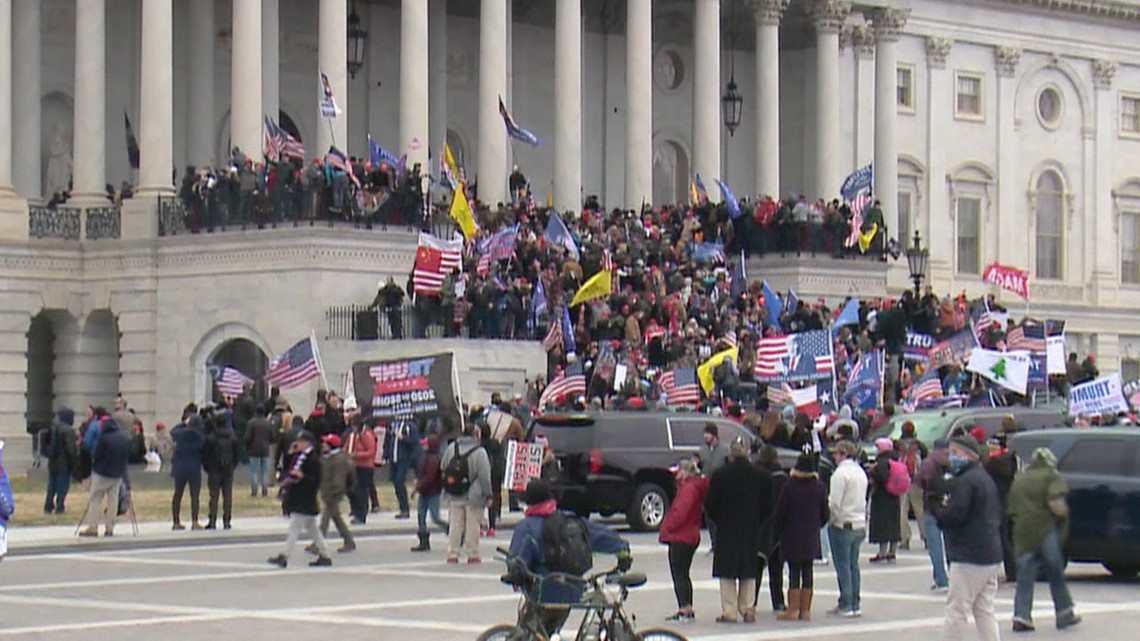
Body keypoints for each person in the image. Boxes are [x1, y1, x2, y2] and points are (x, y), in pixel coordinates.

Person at [507, 478, 632, 637]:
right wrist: (623, 553)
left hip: (543, 592)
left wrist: (514, 574)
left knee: (528, 633)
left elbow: (517, 560)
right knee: (551, 631)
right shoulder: (571, 521)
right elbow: (606, 537)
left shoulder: (526, 527)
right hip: (573, 590)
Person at [933, 434, 1003, 641]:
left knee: (957, 610)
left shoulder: (965, 481)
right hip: (990, 552)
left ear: (969, 456)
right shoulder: (984, 477)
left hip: (969, 555)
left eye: (955, 453)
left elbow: (956, 515)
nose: (951, 457)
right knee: (984, 609)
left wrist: (938, 511)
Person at [1008, 447, 1081, 633]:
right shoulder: (1051, 476)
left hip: (1022, 530)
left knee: (1025, 574)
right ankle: (1064, 612)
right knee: (1055, 570)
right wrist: (1063, 517)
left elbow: (1010, 508)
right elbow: (1056, 504)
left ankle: (1021, 616)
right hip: (1044, 528)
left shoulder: (1021, 479)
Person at [704, 437, 771, 623]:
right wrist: (757, 521)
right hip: (750, 527)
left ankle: (730, 611)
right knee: (748, 569)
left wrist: (719, 519)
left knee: (727, 571)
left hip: (726, 527)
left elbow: (710, 504)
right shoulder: (762, 476)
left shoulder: (720, 475)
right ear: (748, 453)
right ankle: (748, 607)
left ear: (730, 454)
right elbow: (768, 506)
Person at [772, 453, 830, 622]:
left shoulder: (789, 486)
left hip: (791, 534)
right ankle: (806, 610)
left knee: (794, 571)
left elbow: (780, 512)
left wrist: (776, 532)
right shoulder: (819, 487)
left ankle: (792, 609)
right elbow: (825, 514)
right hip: (811, 535)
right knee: (808, 570)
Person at [268, 431, 332, 568]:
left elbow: (316, 480)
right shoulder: (299, 456)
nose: (298, 443)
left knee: (294, 529)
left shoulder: (313, 459)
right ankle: (325, 555)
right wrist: (290, 453)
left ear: (308, 443)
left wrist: (303, 476)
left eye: (301, 441)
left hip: (305, 499)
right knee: (313, 530)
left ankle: (284, 556)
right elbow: (288, 470)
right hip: (299, 497)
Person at [659, 458, 708, 623]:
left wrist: (667, 527)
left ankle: (684, 609)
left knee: (679, 573)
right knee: (684, 573)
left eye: (678, 472)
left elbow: (680, 513)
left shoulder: (688, 490)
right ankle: (687, 608)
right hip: (691, 536)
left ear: (685, 473)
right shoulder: (693, 487)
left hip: (681, 536)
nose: (676, 476)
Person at [441, 422, 492, 564]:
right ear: (476, 435)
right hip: (473, 494)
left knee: (455, 525)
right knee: (472, 525)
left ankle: (453, 553)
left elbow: (443, 466)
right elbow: (484, 475)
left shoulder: (452, 448)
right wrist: (488, 494)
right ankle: (473, 553)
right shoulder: (480, 452)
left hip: (454, 492)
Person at [828, 439, 868, 618]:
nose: (834, 457)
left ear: (843, 454)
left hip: (843, 523)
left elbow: (834, 503)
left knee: (843, 566)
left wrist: (829, 520)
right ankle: (855, 602)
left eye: (836, 453)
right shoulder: (861, 472)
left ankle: (846, 602)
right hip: (859, 523)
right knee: (853, 565)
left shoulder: (839, 474)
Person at [79, 415, 132, 537]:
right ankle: (110, 528)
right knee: (113, 501)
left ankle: (93, 527)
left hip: (101, 472)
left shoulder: (103, 437)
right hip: (117, 473)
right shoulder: (124, 438)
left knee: (95, 499)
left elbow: (96, 454)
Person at [985, 416, 1020, 582]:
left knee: (998, 539)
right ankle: (1012, 571)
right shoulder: (1009, 459)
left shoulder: (993, 463)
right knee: (1007, 539)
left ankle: (996, 570)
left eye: (992, 445)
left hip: (997, 503)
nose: (990, 447)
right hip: (1007, 501)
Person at [754, 445, 788, 614]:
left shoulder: (757, 476)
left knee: (757, 567)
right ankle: (778, 601)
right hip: (778, 525)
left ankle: (751, 601)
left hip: (760, 525)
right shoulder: (782, 477)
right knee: (777, 568)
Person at [919, 439, 953, 592]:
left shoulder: (928, 463)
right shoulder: (953, 461)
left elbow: (920, 482)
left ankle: (941, 579)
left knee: (935, 547)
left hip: (931, 508)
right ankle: (955, 578)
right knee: (951, 545)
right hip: (949, 508)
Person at [315, 434, 356, 554]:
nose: (323, 445)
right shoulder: (326, 458)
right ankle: (349, 541)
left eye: (326, 443)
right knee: (336, 518)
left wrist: (336, 491)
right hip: (327, 492)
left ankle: (318, 544)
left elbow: (339, 478)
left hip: (334, 493)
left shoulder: (339, 460)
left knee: (325, 519)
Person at [411, 434, 448, 552]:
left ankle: (450, 529)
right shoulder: (427, 457)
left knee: (434, 516)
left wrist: (417, 487)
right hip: (426, 491)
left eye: (426, 444)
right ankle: (423, 540)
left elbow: (429, 477)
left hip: (432, 492)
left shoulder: (433, 459)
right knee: (421, 516)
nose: (423, 446)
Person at [202, 414, 239, 529]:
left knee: (213, 496)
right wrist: (232, 466)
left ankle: (212, 520)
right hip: (228, 470)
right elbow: (236, 455)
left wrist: (208, 467)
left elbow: (205, 455)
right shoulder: (232, 437)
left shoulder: (211, 438)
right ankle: (227, 521)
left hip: (214, 470)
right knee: (227, 496)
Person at [897, 421, 929, 550]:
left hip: (903, 480)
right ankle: (926, 537)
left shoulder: (898, 445)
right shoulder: (919, 445)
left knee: (902, 511)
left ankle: (905, 539)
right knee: (919, 509)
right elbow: (926, 459)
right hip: (917, 480)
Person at [869, 437, 902, 563]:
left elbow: (883, 477)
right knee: (894, 525)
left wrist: (873, 474)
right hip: (895, 495)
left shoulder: (882, 461)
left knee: (883, 526)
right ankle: (892, 552)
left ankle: (882, 553)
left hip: (883, 497)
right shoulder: (895, 458)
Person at [43, 407, 78, 515]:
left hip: (52, 461)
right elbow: (71, 449)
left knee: (52, 485)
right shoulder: (69, 430)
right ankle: (60, 506)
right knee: (62, 486)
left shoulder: (52, 427)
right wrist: (75, 463)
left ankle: (48, 506)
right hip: (64, 463)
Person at [386, 418, 422, 519]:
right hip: (394, 458)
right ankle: (402, 507)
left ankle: (405, 509)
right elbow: (388, 440)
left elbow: (415, 441)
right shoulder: (392, 425)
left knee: (399, 481)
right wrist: (386, 455)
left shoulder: (409, 426)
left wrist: (403, 438)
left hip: (404, 458)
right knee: (395, 482)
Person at [345, 416, 377, 524]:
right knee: (351, 489)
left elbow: (371, 452)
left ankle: (361, 515)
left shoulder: (366, 435)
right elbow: (346, 448)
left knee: (362, 491)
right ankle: (355, 511)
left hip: (366, 466)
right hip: (354, 466)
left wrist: (357, 455)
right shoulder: (352, 436)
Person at [245, 404, 275, 497]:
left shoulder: (251, 422)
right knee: (264, 471)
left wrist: (247, 445)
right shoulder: (268, 423)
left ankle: (254, 490)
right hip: (265, 449)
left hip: (254, 449)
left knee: (254, 471)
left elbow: (247, 437)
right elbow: (273, 436)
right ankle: (264, 490)